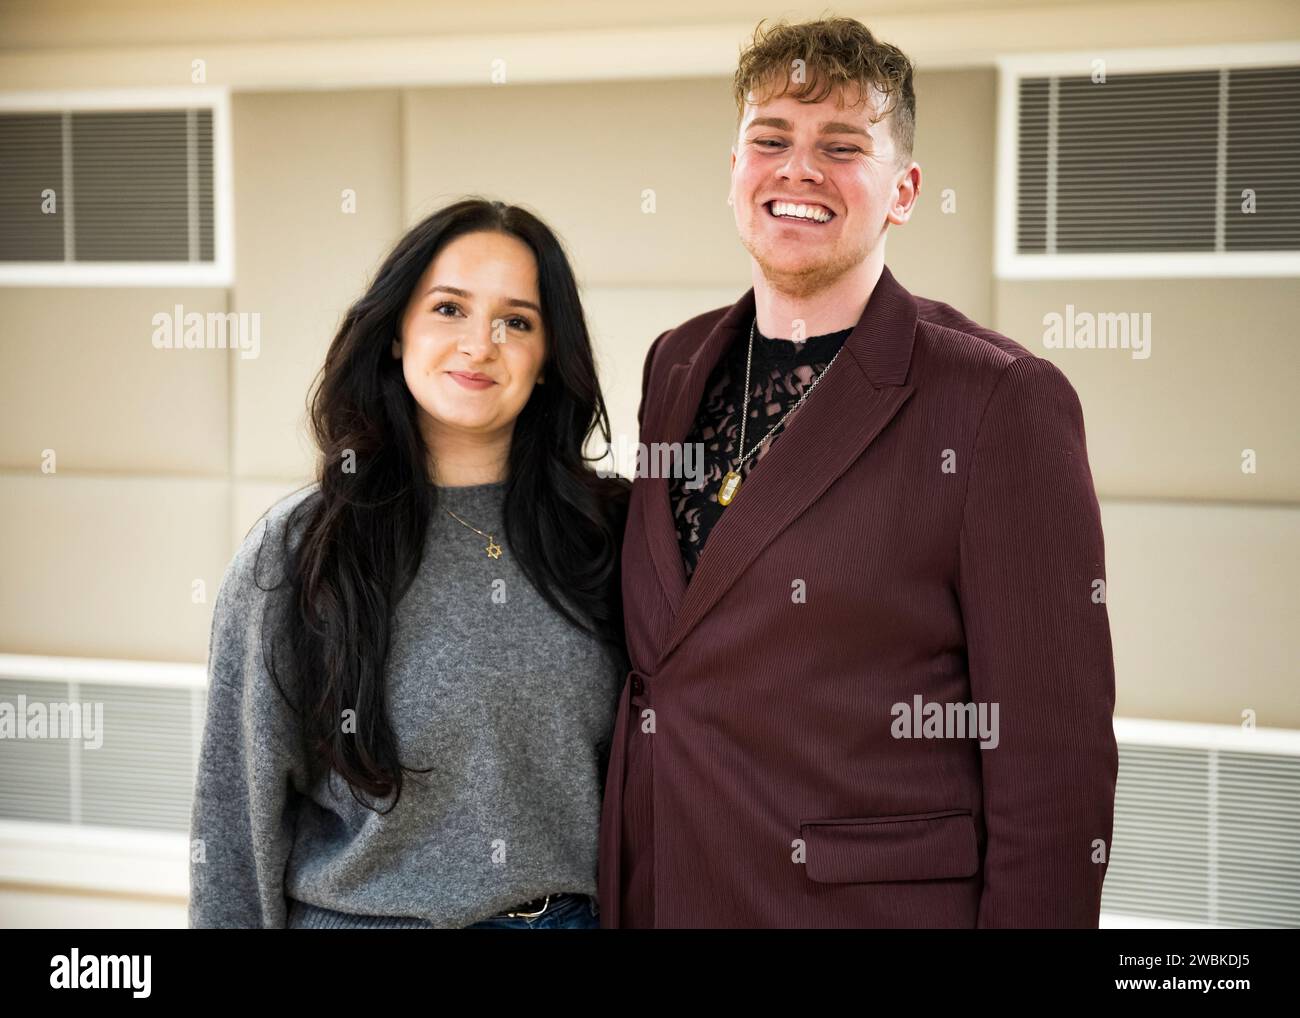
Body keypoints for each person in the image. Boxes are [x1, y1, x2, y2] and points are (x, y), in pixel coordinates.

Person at [600, 16, 1119, 928]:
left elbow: (1053, 761)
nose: (798, 169)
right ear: (735, 171)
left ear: (904, 191)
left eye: (842, 146)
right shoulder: (671, 365)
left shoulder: (1000, 402)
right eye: (772, 139)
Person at [189, 197, 629, 928]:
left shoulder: (604, 534)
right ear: (396, 331)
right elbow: (235, 819)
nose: (479, 344)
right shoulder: (303, 548)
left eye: (516, 321)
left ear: (550, 359)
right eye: (449, 309)